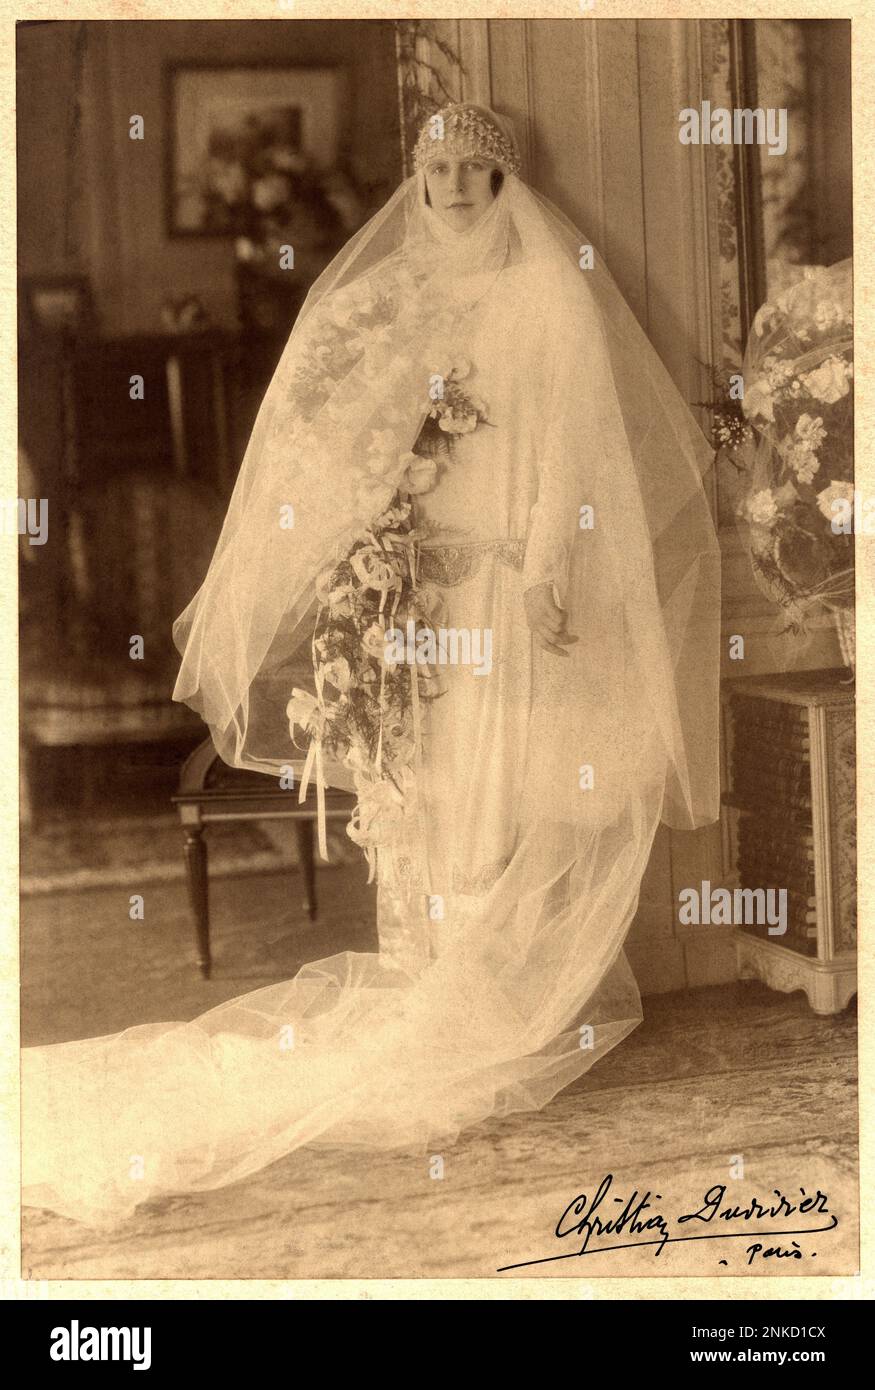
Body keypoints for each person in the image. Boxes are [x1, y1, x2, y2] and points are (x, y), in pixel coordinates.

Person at [22, 105, 720, 1228]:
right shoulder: (395, 301)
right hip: (412, 591)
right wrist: (358, 552)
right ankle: (440, 989)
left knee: (499, 788)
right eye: (434, 168)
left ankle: (486, 1007)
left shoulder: (548, 296)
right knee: (428, 794)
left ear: (503, 181)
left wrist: (543, 569)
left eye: (471, 170)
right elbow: (351, 446)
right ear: (418, 176)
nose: (449, 185)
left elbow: (574, 446)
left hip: (500, 590)